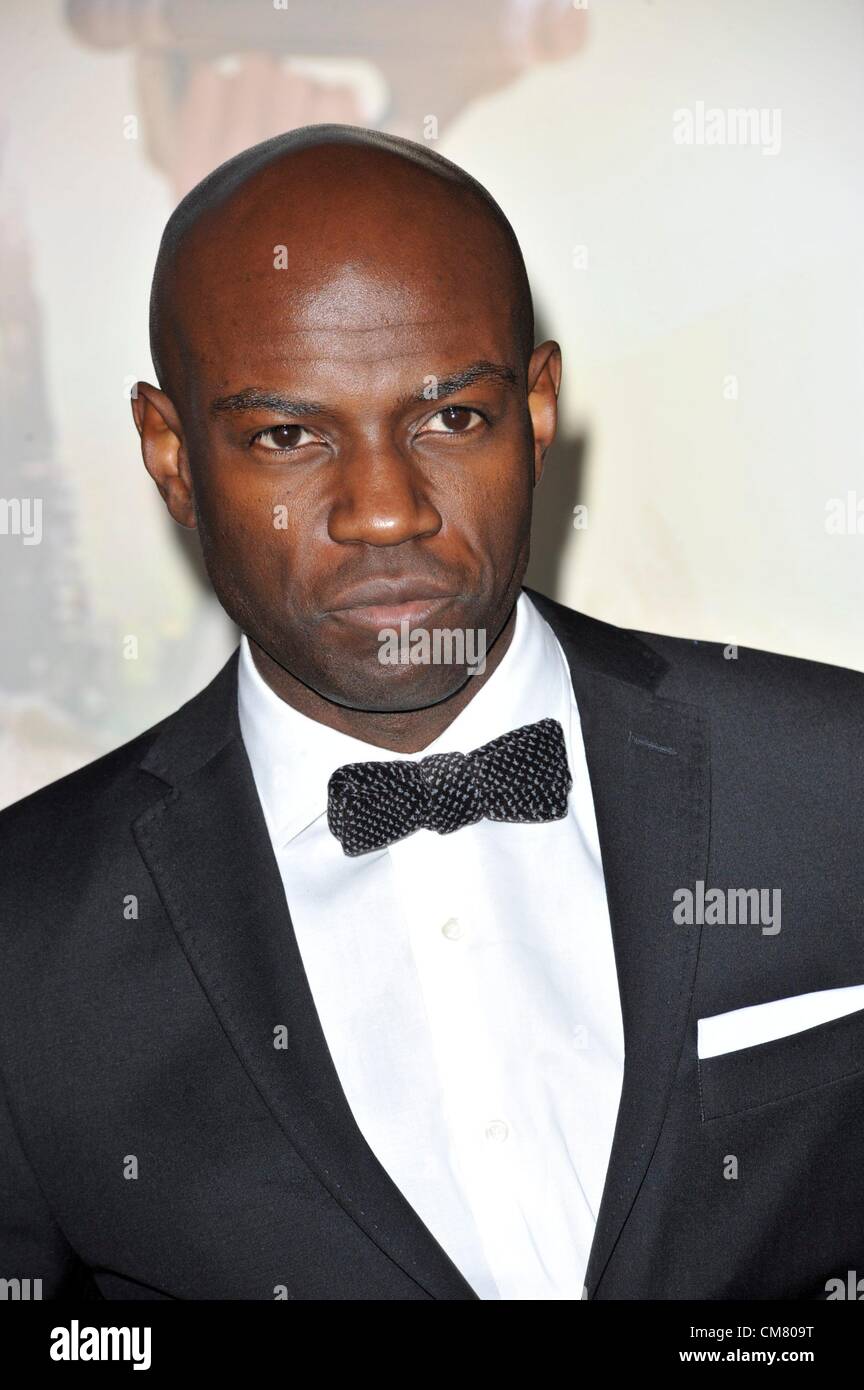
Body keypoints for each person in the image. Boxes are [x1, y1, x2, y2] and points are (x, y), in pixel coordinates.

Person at [1, 125, 862, 1302]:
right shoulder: (27, 939)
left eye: (450, 417)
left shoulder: (833, 782)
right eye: (287, 436)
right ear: (171, 454)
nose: (385, 510)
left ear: (540, 407)